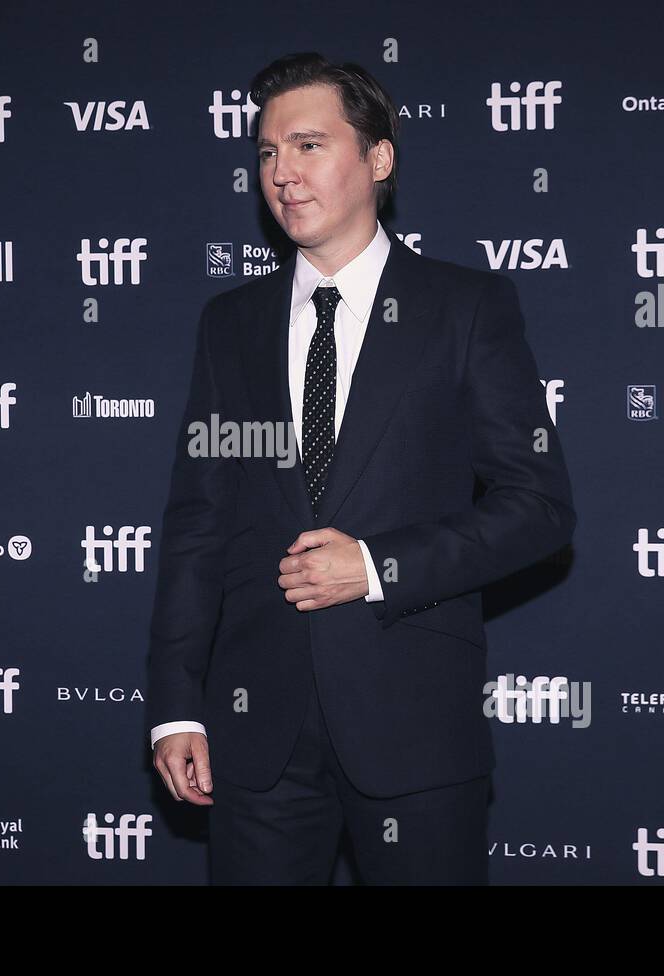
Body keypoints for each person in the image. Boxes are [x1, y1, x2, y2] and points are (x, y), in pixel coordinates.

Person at [145, 52, 575, 884]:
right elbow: (199, 521)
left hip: (412, 725)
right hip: (253, 730)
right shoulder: (229, 324)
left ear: (379, 159)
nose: (282, 173)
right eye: (267, 153)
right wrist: (174, 708)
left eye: (307, 145)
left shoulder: (466, 307)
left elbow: (539, 507)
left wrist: (377, 567)